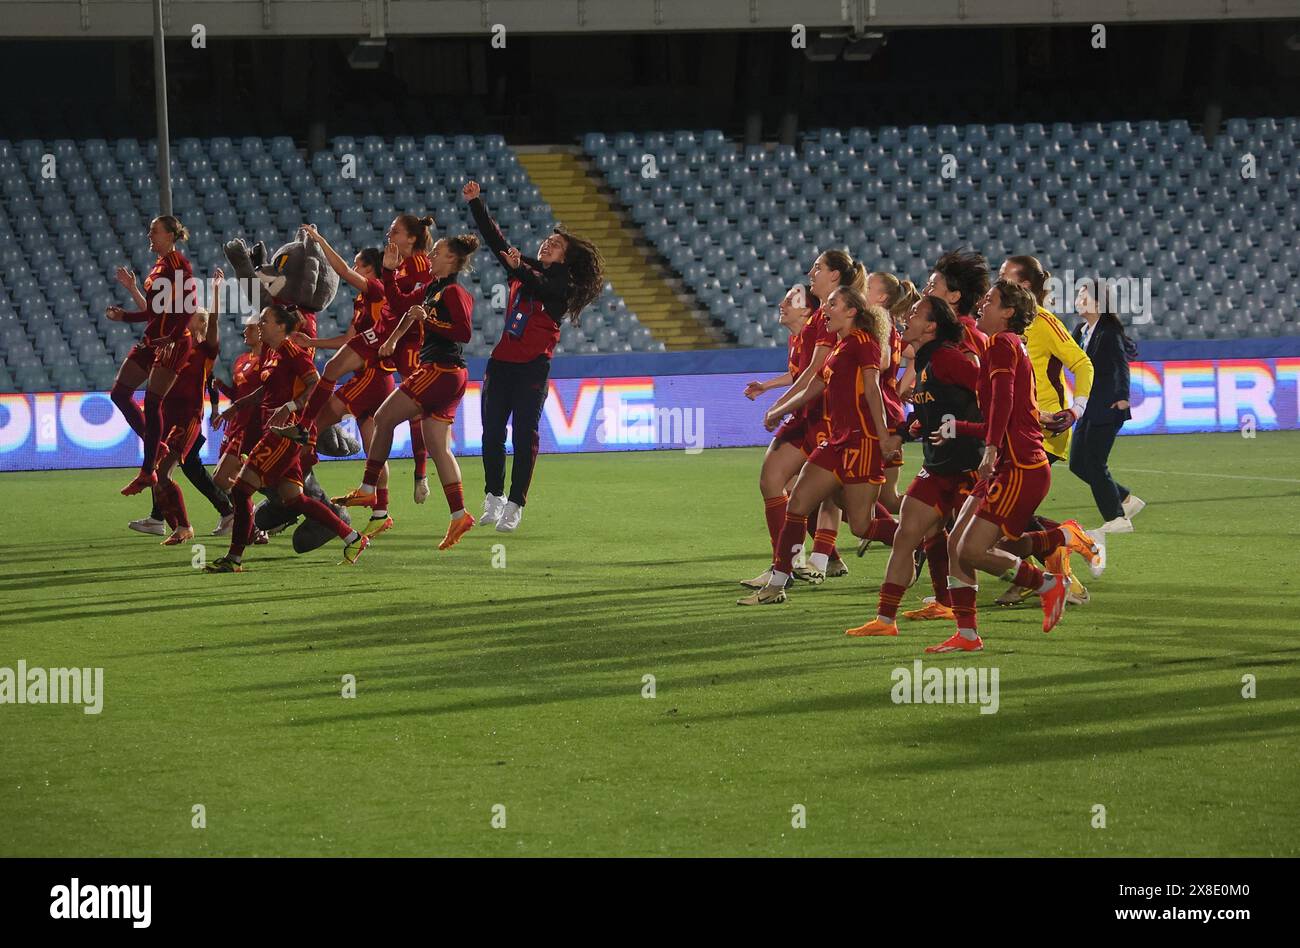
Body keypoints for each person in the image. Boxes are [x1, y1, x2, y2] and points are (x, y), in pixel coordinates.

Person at [922, 280, 1074, 651]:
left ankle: (1049, 582)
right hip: (1008, 462)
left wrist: (989, 447)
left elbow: (1004, 402)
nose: (982, 305)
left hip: (1019, 465)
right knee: (958, 542)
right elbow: (998, 413)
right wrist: (961, 428)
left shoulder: (1004, 345)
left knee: (972, 550)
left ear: (1008, 312)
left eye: (990, 301)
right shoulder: (1000, 346)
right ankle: (968, 634)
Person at [739, 289, 898, 605]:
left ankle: (924, 541)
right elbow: (815, 386)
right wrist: (779, 410)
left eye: (833, 304)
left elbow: (873, 392)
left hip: (861, 443)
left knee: (862, 525)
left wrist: (883, 440)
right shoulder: (839, 346)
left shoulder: (864, 343)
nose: (825, 307)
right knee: (797, 504)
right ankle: (777, 584)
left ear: (851, 311)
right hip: (836, 443)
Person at [465, 179, 604, 533]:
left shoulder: (562, 286)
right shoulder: (523, 266)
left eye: (555, 245)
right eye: (548, 240)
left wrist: (517, 267)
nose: (547, 244)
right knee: (491, 432)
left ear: (565, 258)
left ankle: (515, 504)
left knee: (524, 435)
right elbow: (497, 242)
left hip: (533, 368)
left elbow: (540, 285)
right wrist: (476, 203)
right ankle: (493, 495)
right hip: (502, 363)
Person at [332, 233, 481, 550]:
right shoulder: (433, 289)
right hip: (449, 375)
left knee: (384, 418)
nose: (431, 256)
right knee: (438, 448)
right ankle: (459, 514)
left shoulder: (454, 291)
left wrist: (430, 322)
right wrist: (387, 271)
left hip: (440, 370)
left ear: (451, 259)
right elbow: (398, 303)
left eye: (437, 252)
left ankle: (369, 486)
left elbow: (464, 332)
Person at [845, 295, 982, 636]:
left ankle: (1049, 563)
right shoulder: (925, 361)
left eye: (916, 314)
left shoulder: (948, 358)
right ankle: (885, 620)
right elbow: (925, 413)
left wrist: (965, 428)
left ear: (932, 326)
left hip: (970, 466)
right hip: (937, 467)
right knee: (907, 534)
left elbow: (990, 392)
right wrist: (905, 431)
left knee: (988, 547)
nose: (907, 318)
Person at [204, 304, 370, 572]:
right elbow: (263, 391)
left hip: (287, 432)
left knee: (241, 488)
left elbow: (317, 383)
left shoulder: (293, 351)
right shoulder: (271, 352)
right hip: (276, 430)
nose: (260, 324)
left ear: (281, 326)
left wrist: (290, 407)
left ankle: (234, 559)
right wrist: (237, 407)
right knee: (294, 498)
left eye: (265, 320)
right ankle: (353, 538)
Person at [270, 226, 400, 537]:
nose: (354, 268)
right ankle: (381, 511)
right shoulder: (364, 302)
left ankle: (298, 496)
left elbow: (339, 269)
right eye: (356, 263)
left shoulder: (377, 289)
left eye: (360, 264)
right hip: (375, 378)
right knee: (374, 450)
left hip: (372, 376)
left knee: (315, 421)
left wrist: (319, 240)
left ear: (371, 269)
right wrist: (312, 344)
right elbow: (349, 339)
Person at [993, 254, 1100, 606]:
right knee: (1009, 513)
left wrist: (1076, 409)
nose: (998, 279)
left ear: (1024, 286)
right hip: (1016, 428)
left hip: (1045, 430)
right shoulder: (1002, 324)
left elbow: (1081, 363)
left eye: (1005, 275)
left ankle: (1045, 576)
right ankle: (1067, 549)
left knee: (1009, 514)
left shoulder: (1043, 322)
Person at [106, 215, 198, 496]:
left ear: (170, 235)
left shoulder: (178, 264)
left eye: (154, 231)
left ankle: (148, 471)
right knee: (119, 393)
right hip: (153, 339)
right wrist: (125, 317)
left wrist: (171, 338)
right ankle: (157, 447)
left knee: (152, 399)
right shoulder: (159, 266)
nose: (150, 236)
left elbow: (189, 306)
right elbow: (153, 312)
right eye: (149, 231)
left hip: (173, 342)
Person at [1071, 280, 1144, 534]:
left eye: (1083, 296)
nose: (1078, 299)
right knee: (1077, 463)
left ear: (1099, 303)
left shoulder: (1109, 331)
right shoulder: (1081, 330)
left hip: (1108, 404)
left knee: (1094, 462)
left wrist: (1123, 396)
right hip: (1088, 407)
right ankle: (1125, 499)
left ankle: (1118, 519)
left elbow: (1120, 365)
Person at [152, 286, 221, 546]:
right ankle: (177, 526)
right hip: (166, 418)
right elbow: (155, 319)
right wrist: (135, 290)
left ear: (200, 321)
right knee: (158, 476)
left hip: (188, 418)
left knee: (165, 471)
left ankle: (185, 527)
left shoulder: (205, 350)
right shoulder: (176, 346)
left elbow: (215, 322)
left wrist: (215, 291)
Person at [386, 213, 436, 502]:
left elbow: (419, 306)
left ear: (411, 237)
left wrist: (395, 337)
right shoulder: (400, 264)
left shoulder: (419, 264)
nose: (389, 235)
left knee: (415, 410)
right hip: (392, 338)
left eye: (395, 231)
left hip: (412, 341)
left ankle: (420, 473)